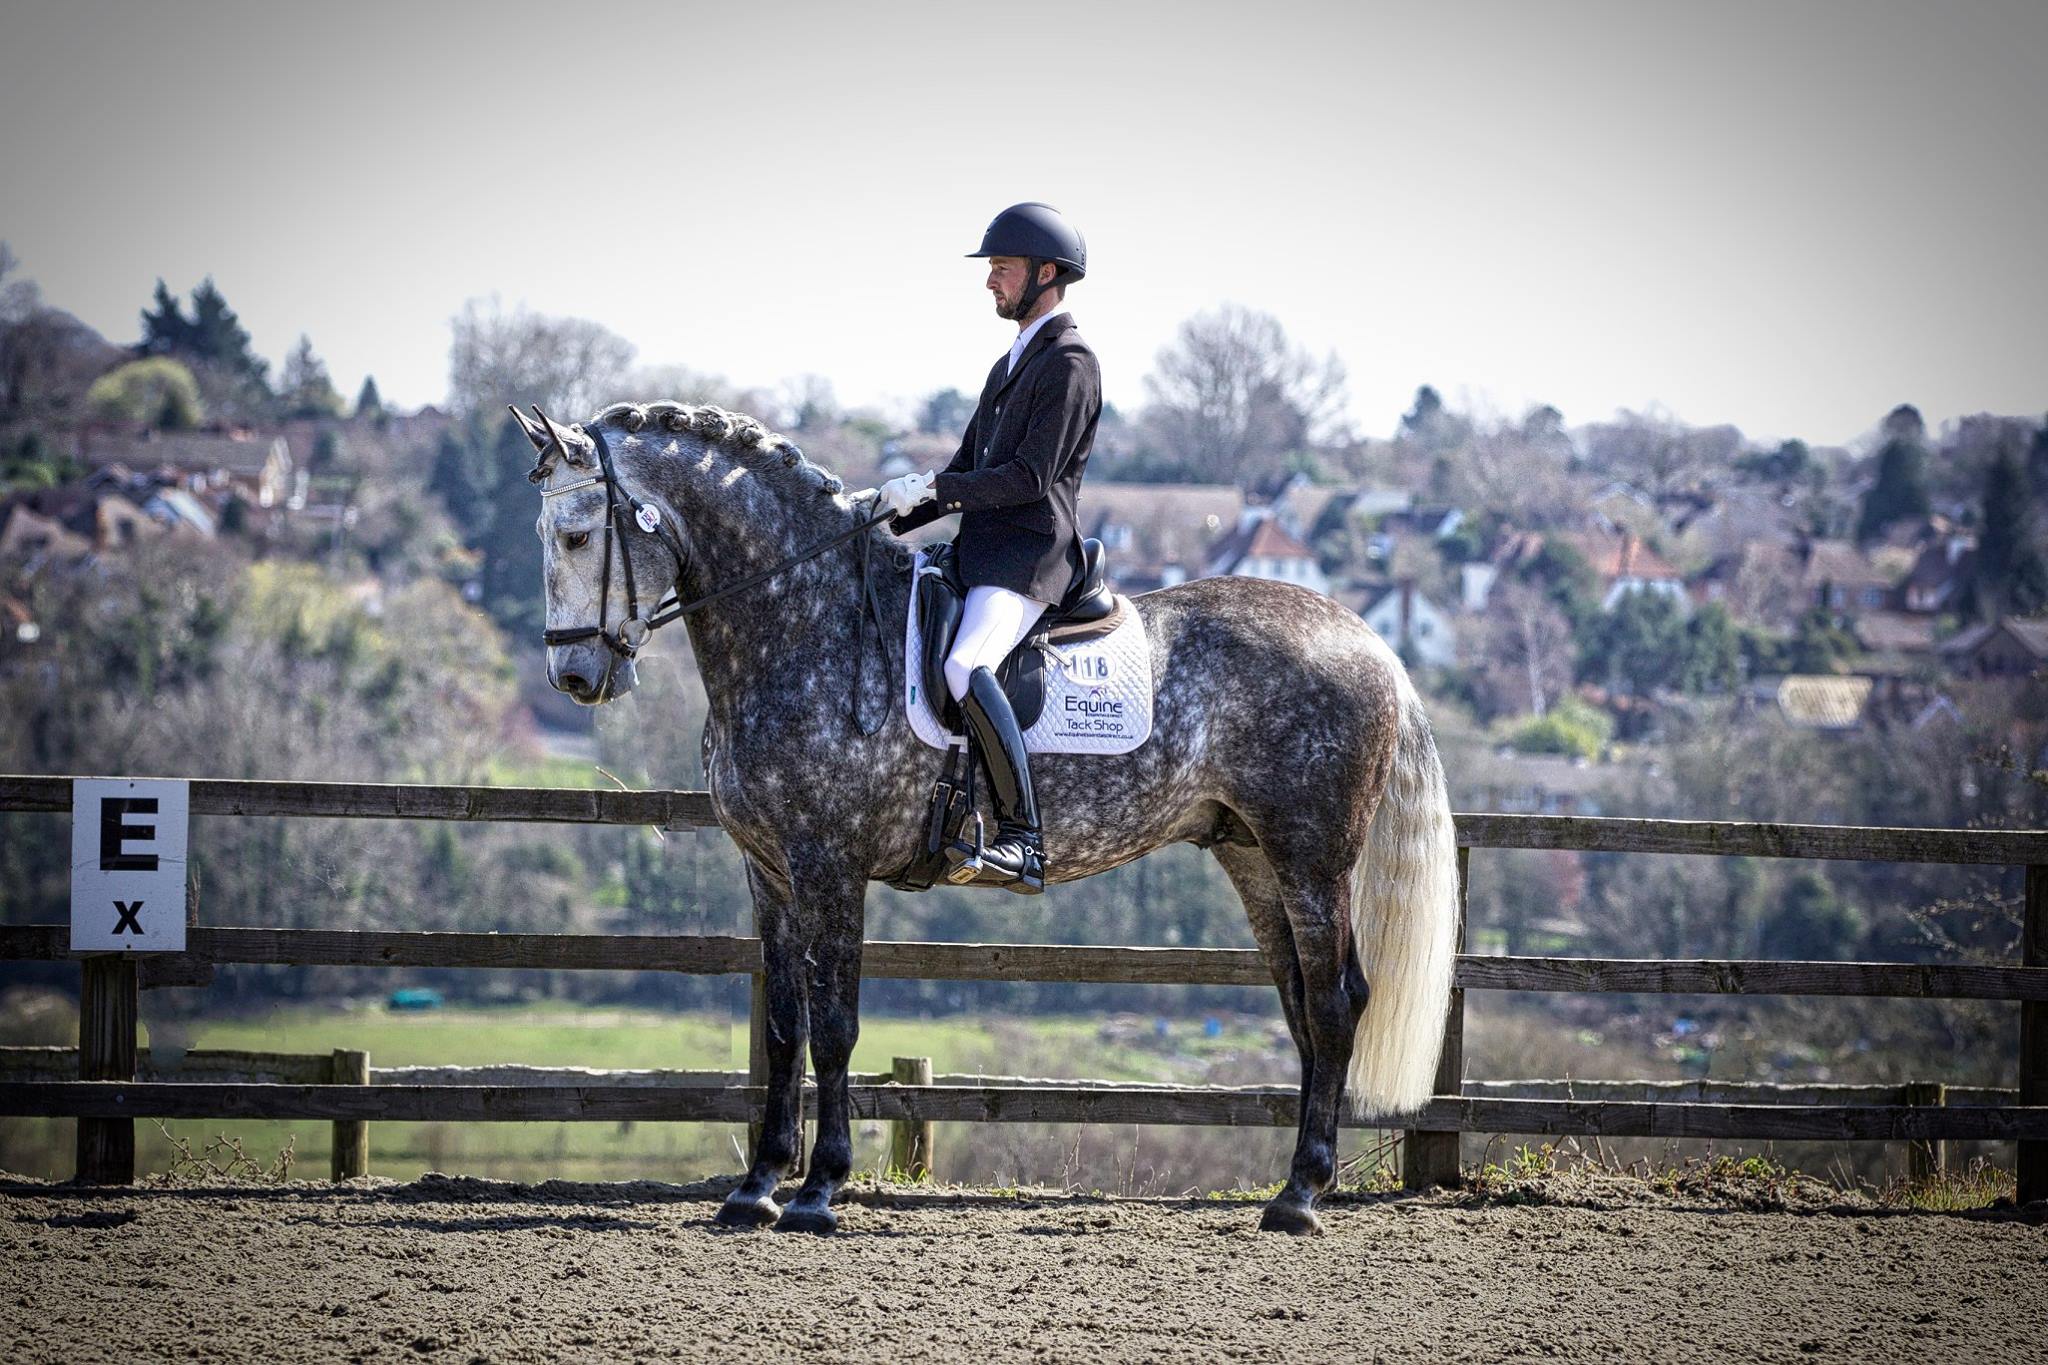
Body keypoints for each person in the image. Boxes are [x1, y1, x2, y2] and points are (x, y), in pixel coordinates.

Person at [875, 202, 1101, 893]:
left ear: (1045, 273)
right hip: (980, 552)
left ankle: (1023, 840)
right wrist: (893, 510)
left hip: (1031, 558)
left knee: (966, 665)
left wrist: (937, 487)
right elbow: (968, 465)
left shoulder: (1070, 364)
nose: (990, 281)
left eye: (1001, 268)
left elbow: (1030, 479)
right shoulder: (1010, 364)